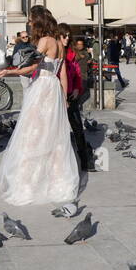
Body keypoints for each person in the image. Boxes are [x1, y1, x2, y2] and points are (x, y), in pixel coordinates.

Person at [0, 6, 80, 204]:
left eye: (31, 21)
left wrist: (9, 72)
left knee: (32, 135)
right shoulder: (59, 42)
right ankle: (58, 184)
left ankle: (28, 186)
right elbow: (63, 74)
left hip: (42, 88)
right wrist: (64, 98)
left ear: (38, 21)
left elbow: (31, 66)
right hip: (55, 89)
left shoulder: (44, 41)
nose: (30, 24)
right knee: (55, 136)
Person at [59, 25, 95, 172]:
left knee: (78, 129)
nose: (67, 39)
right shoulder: (55, 53)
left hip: (71, 96)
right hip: (57, 97)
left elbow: (78, 74)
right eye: (64, 36)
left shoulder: (72, 53)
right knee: (58, 132)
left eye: (68, 36)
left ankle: (85, 162)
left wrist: (76, 89)